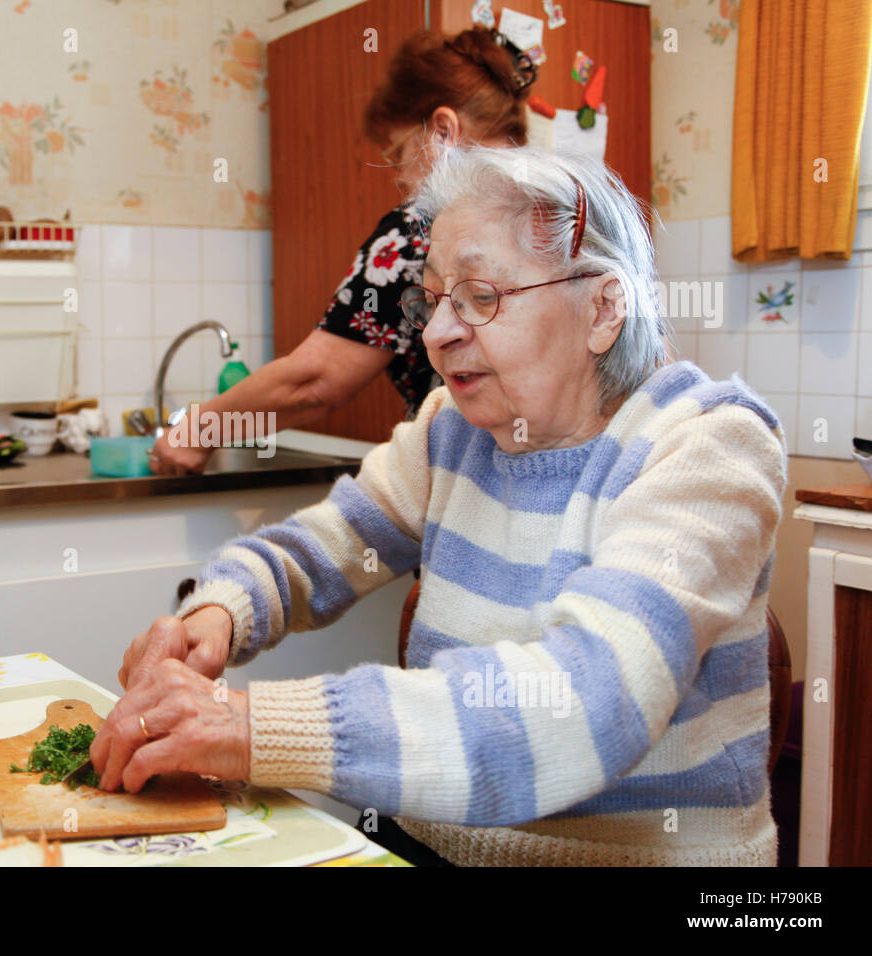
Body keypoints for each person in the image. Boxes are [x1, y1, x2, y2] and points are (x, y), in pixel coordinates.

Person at [90, 143, 787, 867]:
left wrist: (251, 726)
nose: (434, 332)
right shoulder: (452, 430)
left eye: (481, 297)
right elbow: (321, 548)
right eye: (433, 298)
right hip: (423, 845)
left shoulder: (709, 446)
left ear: (603, 308)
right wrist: (217, 613)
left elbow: (585, 704)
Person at [148, 25, 534, 476]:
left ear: (443, 131)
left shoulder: (422, 230)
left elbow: (315, 383)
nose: (400, 179)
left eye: (399, 153)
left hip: (474, 489)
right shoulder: (566, 211)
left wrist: (199, 429)